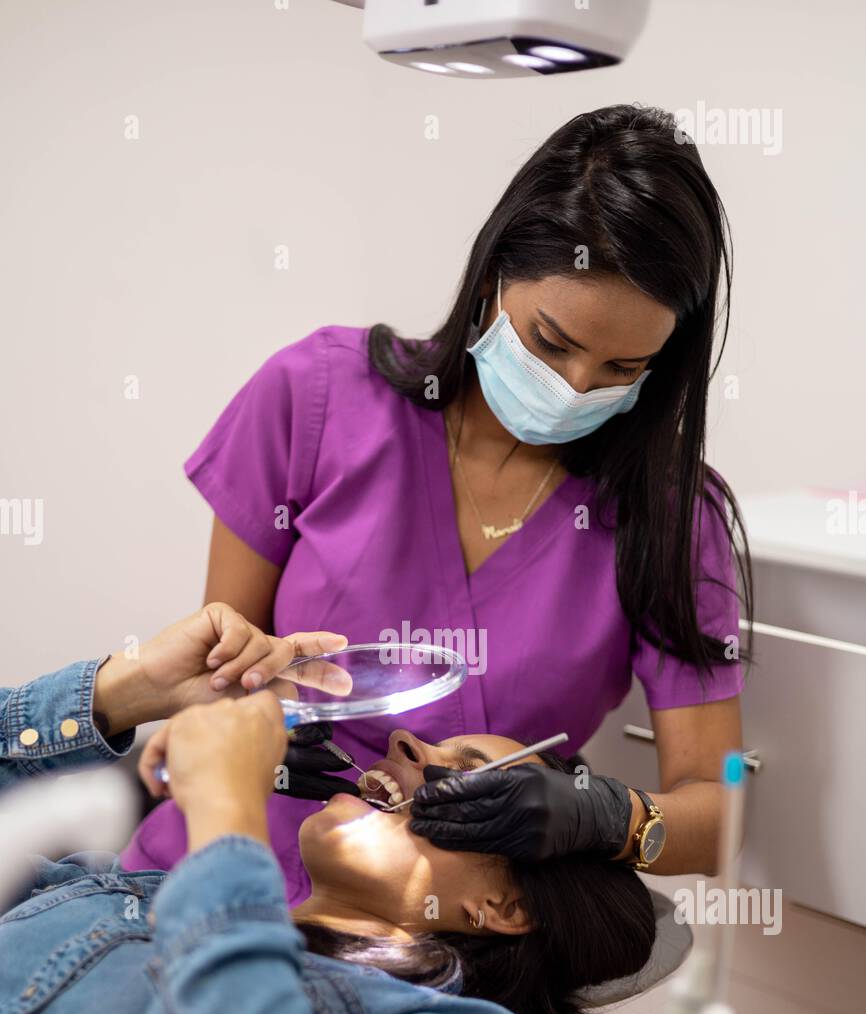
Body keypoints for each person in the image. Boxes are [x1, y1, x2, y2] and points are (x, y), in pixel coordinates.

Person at [119, 103, 751, 904]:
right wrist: (252, 731)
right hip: (210, 871)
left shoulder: (669, 519)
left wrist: (605, 817)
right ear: (492, 279)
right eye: (550, 344)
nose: (576, 387)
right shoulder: (316, 398)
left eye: (623, 367)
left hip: (435, 922)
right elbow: (214, 673)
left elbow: (717, 810)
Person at [0, 606, 655, 1014]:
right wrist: (127, 692)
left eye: (467, 774)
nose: (404, 741)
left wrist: (228, 815)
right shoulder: (125, 897)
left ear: (503, 905)